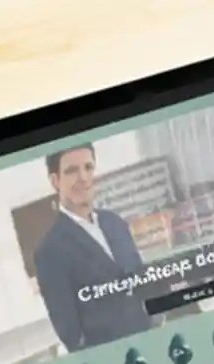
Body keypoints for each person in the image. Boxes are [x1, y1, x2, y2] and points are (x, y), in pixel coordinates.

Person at [33, 143, 153, 352]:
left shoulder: (115, 222)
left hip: (152, 343)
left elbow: (142, 279)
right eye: (72, 171)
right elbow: (70, 333)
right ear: (55, 181)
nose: (83, 177)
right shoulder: (49, 251)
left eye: (88, 168)